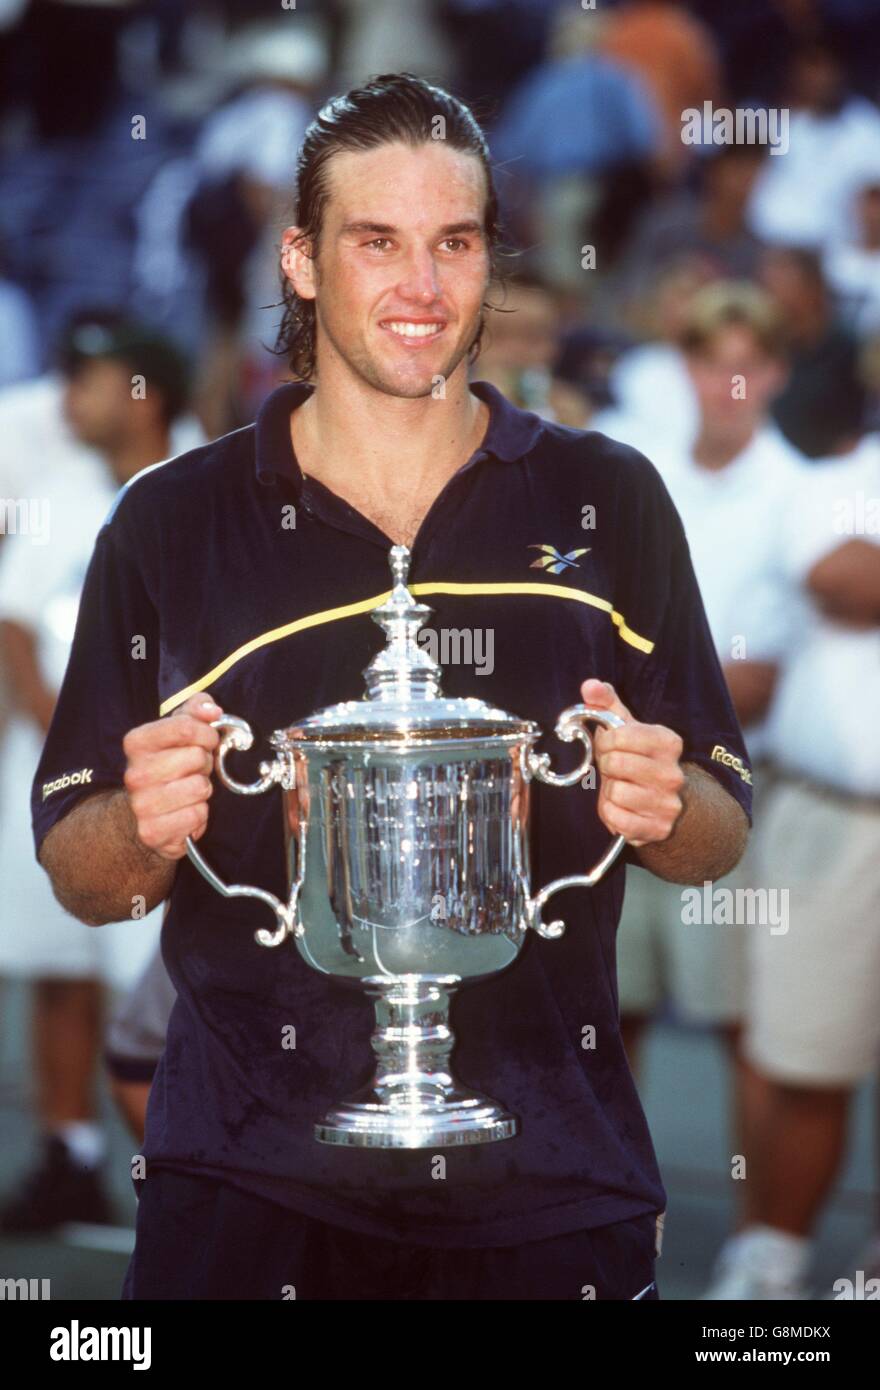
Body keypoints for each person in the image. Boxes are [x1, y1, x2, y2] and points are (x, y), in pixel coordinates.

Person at [33, 74, 751, 1302]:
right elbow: (82, 866)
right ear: (303, 259)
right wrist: (145, 827)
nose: (422, 289)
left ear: (490, 260)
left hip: (549, 1178)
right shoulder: (169, 520)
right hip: (245, 1179)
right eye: (378, 242)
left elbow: (718, 825)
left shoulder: (606, 494)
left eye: (454, 243)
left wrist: (662, 803)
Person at [0, 314, 192, 1232]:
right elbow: (13, 621)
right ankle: (68, 1156)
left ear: (146, 391)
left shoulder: (211, 485)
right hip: (47, 769)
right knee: (58, 966)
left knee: (157, 989)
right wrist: (62, 731)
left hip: (160, 782)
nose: (72, 397)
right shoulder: (62, 489)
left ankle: (183, 1175)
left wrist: (122, 748)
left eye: (94, 378)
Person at [602, 282, 809, 1079]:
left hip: (731, 797)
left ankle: (755, 1211)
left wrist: (633, 691)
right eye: (712, 363)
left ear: (777, 373)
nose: (731, 386)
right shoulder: (635, 466)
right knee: (609, 1018)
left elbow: (753, 686)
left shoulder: (798, 493)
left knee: (742, 1029)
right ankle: (617, 1205)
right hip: (617, 790)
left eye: (750, 366)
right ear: (682, 367)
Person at [705, 433, 880, 1299]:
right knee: (804, 1061)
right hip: (832, 816)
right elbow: (843, 577)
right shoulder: (840, 476)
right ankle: (771, 1271)